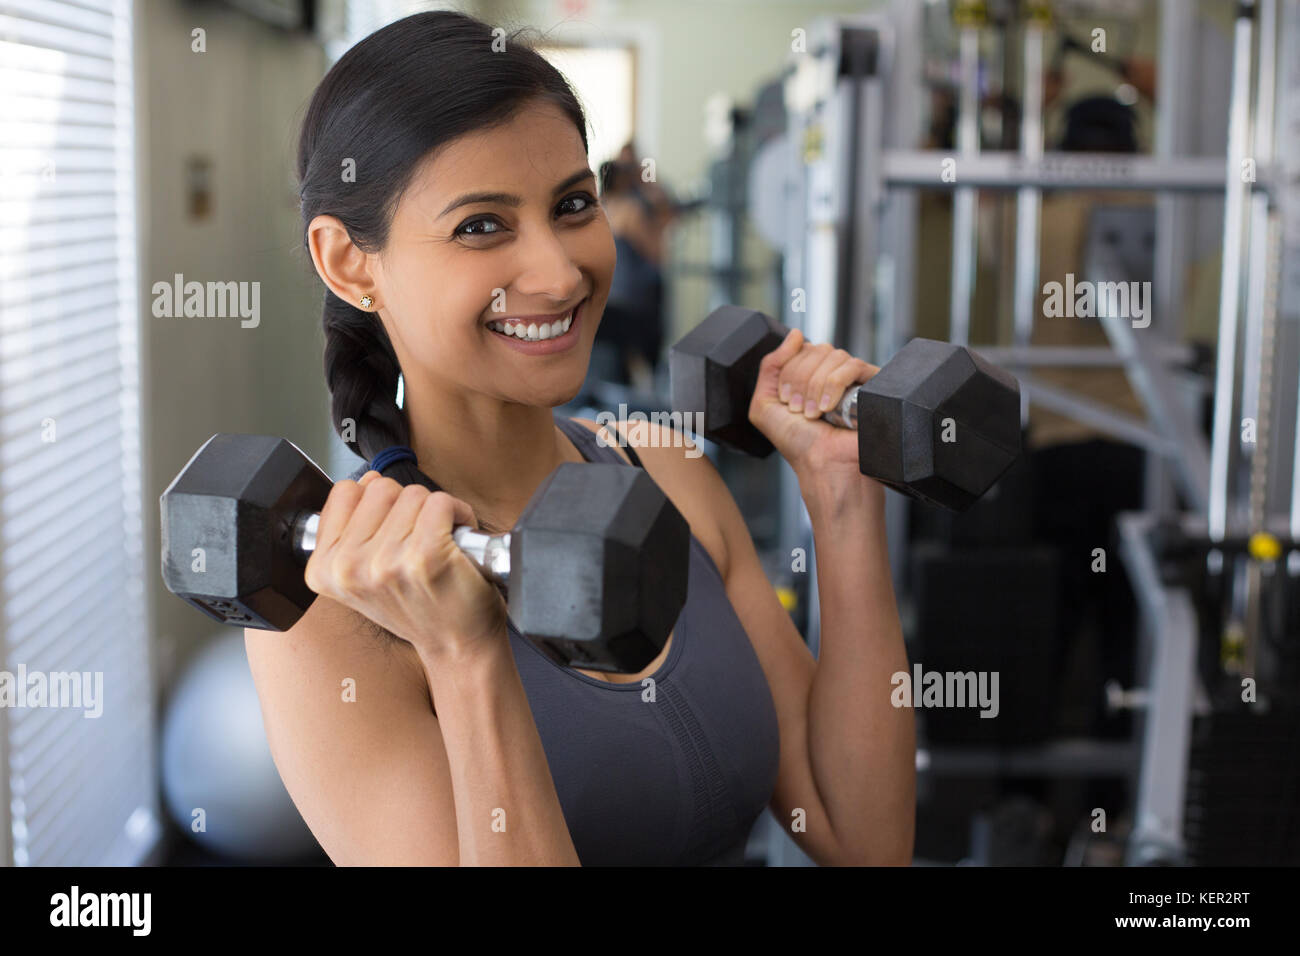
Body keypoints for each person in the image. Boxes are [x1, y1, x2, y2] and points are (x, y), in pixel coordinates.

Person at [246, 10, 914, 866]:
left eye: (571, 205)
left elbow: (864, 841)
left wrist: (841, 495)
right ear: (348, 262)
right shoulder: (329, 612)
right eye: (481, 225)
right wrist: (464, 653)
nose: (561, 273)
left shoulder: (662, 471)